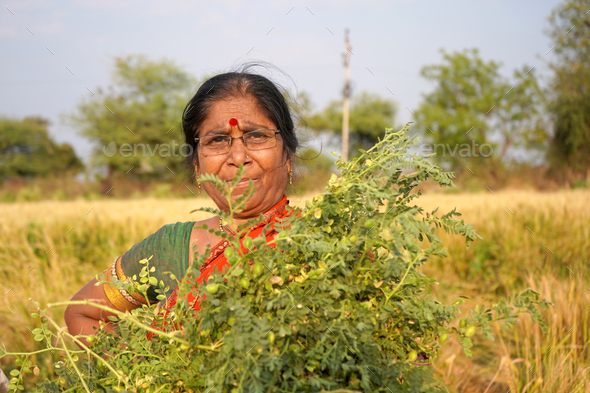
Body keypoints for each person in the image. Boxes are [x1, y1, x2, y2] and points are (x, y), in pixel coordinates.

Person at [64, 69, 299, 346]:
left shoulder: (329, 242)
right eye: (217, 140)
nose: (238, 157)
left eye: (257, 136)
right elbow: (82, 313)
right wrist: (151, 373)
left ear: (288, 155)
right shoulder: (170, 248)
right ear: (197, 166)